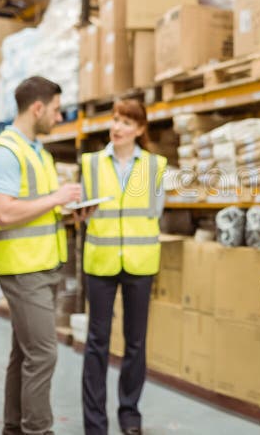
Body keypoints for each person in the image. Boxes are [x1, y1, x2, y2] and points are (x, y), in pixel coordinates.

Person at [0, 76, 94, 435]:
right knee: (43, 354)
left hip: (42, 264)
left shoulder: (38, 152)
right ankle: (38, 431)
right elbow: (5, 212)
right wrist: (57, 198)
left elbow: (33, 207)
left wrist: (66, 212)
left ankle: (14, 428)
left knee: (25, 354)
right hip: (22, 268)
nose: (59, 117)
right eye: (57, 110)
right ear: (38, 107)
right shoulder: (4, 152)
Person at [80, 99, 166, 435]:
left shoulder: (155, 166)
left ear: (140, 130)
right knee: (97, 342)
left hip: (139, 263)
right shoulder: (90, 164)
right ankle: (95, 423)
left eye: (127, 122)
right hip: (100, 262)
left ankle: (130, 414)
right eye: (115, 120)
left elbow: (155, 211)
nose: (118, 127)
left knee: (135, 343)